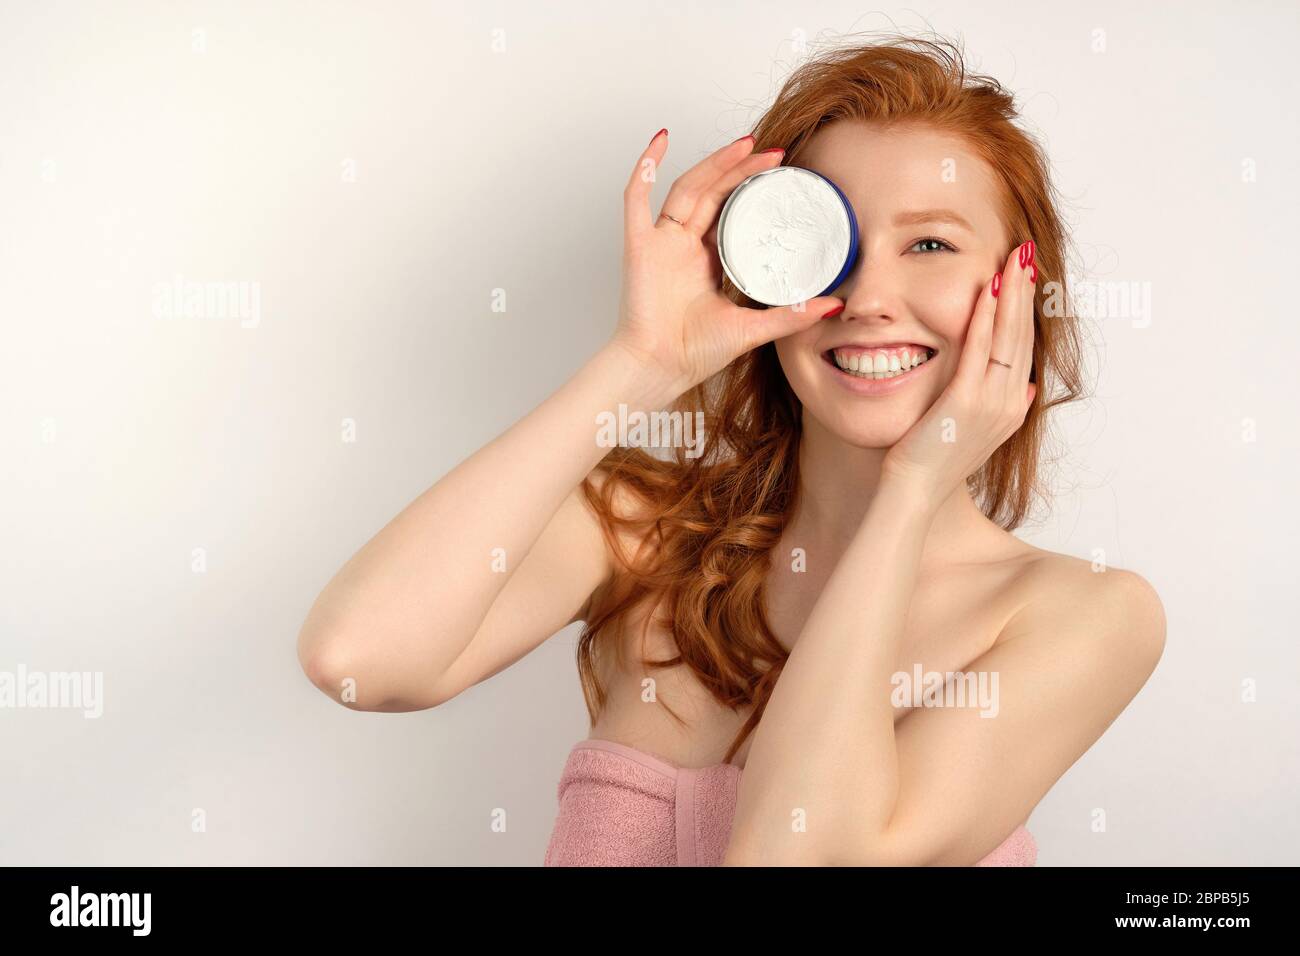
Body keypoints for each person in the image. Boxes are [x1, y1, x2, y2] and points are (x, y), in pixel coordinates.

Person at [297, 34, 1166, 866]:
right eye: (829, 241)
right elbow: (357, 661)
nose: (869, 296)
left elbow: (799, 854)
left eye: (930, 244)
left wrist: (909, 494)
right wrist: (640, 364)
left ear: (1020, 284)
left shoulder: (1083, 617)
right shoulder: (648, 538)